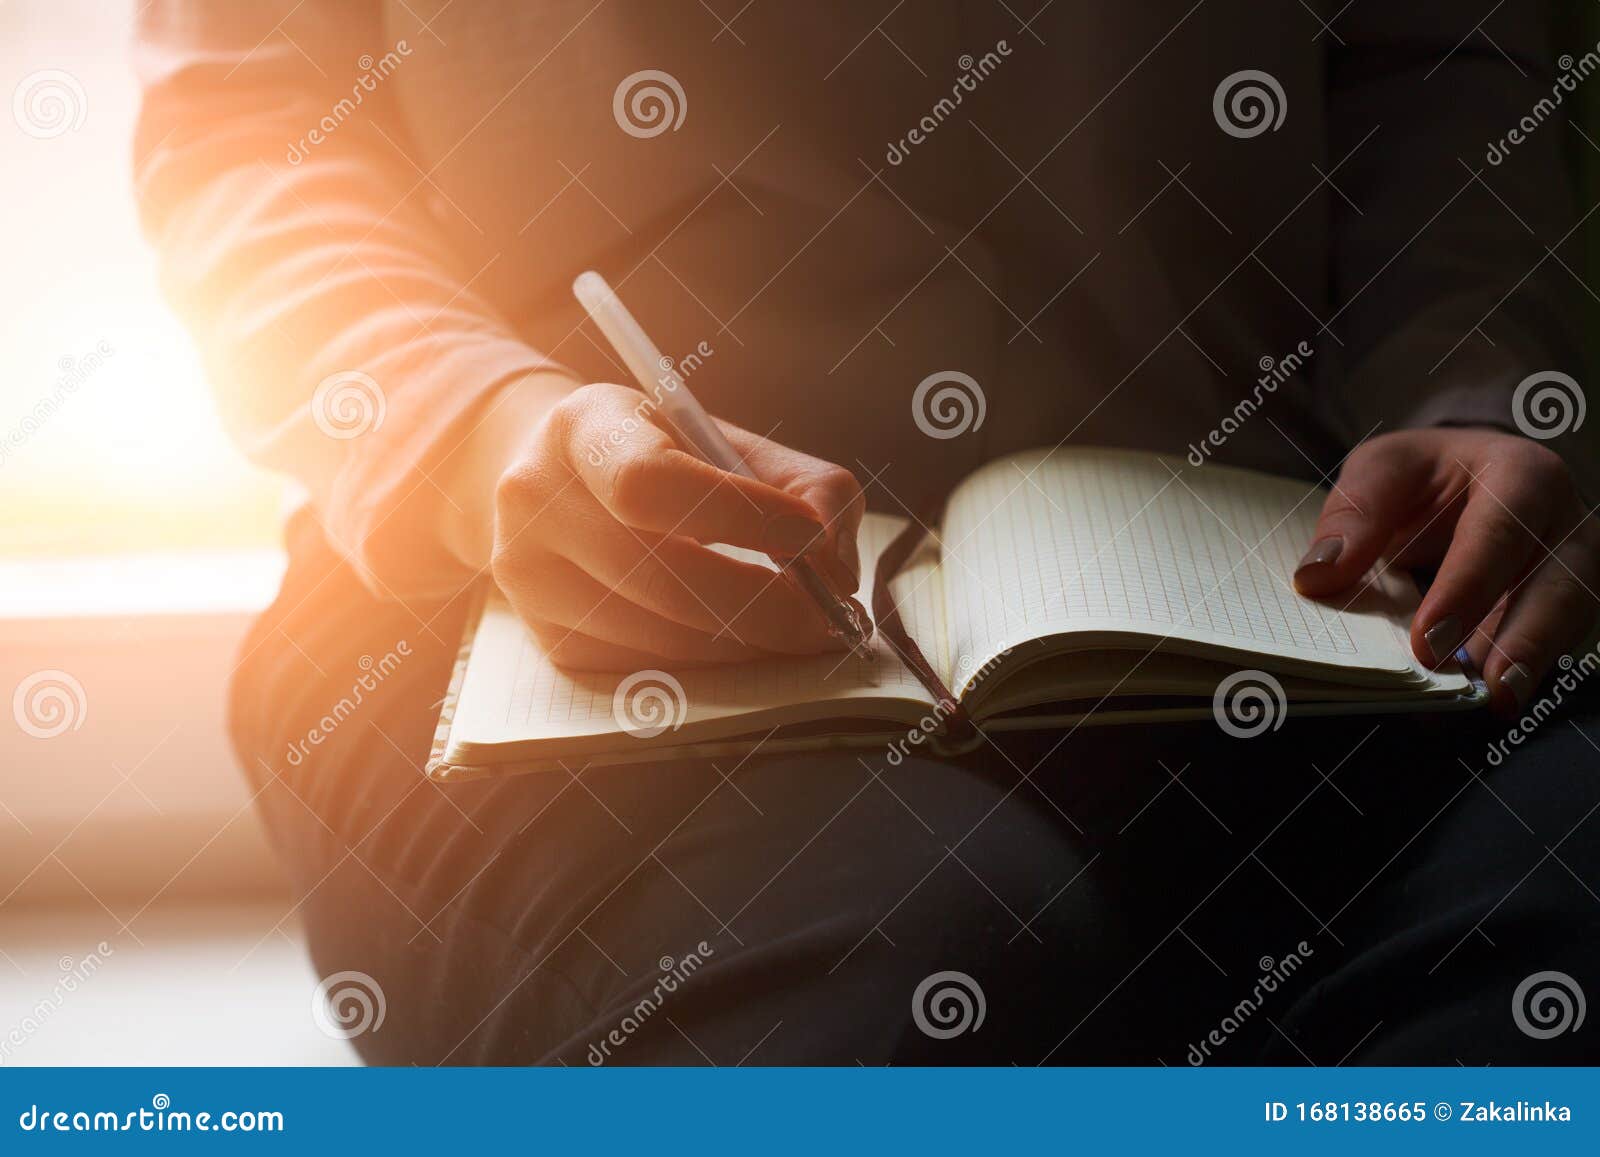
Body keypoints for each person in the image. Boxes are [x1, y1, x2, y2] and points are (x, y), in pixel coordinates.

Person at [134, 1, 1600, 1063]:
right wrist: (470, 426)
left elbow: (1436, 54)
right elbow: (248, 128)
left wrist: (1479, 377)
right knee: (898, 953)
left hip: (1295, 566)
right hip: (510, 605)